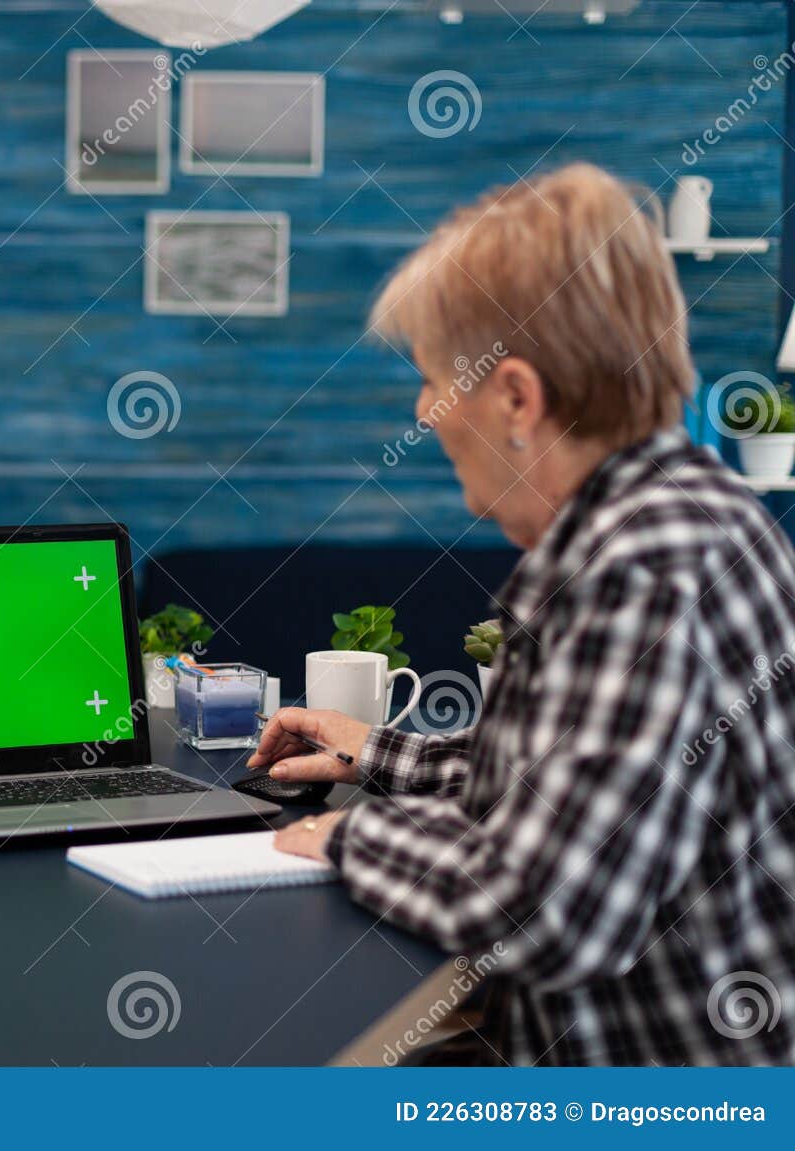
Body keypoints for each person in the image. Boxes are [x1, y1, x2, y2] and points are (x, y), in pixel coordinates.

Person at [256, 163, 795, 1065]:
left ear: (515, 397)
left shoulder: (639, 570)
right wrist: (378, 751)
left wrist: (345, 833)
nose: (425, 412)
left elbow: (554, 909)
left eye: (434, 381)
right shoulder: (694, 511)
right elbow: (576, 778)